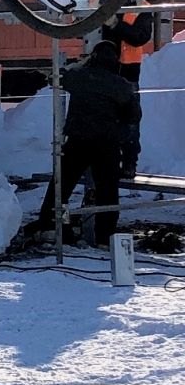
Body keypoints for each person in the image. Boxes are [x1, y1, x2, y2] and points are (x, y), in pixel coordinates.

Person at [32, 40, 138, 245]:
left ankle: (49, 226)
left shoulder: (80, 77)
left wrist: (79, 65)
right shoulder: (121, 85)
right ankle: (105, 236)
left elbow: (56, 77)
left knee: (61, 186)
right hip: (107, 144)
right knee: (108, 191)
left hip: (78, 141)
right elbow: (133, 117)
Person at [98, 0, 153, 178]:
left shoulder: (142, 8)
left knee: (129, 121)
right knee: (102, 119)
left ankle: (129, 163)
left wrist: (115, 24)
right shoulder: (98, 1)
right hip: (103, 71)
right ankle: (103, 163)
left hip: (128, 72)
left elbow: (139, 37)